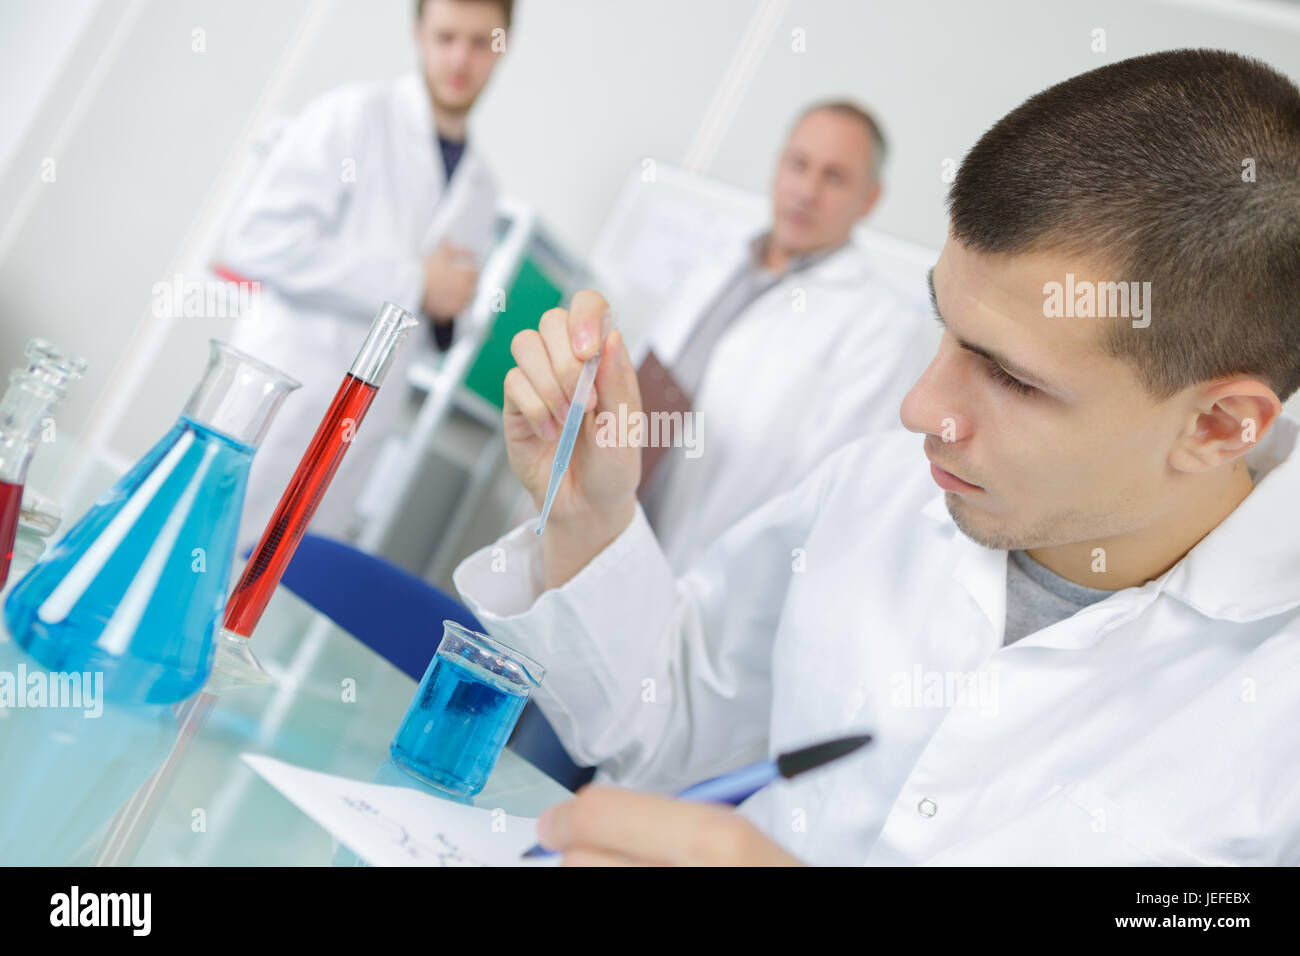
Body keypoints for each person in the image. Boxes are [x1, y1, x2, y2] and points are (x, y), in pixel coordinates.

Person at [454, 48, 1300, 865]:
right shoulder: (879, 491)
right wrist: (591, 513)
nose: (920, 409)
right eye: (946, 326)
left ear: (1221, 427)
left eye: (1010, 376)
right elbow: (663, 725)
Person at [219, 0, 511, 554]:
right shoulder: (354, 115)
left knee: (288, 593)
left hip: (358, 433)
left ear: (503, 50)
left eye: (481, 42)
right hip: (282, 397)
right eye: (447, 36)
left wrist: (451, 310)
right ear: (418, 34)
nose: (461, 58)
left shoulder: (482, 186)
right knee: (200, 562)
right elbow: (259, 238)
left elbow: (443, 311)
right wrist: (416, 283)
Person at [617, 101, 931, 571]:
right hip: (614, 526)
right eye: (798, 165)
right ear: (777, 167)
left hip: (706, 576)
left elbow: (826, 491)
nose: (806, 190)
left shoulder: (883, 327)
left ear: (869, 199)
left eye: (834, 177)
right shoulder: (717, 266)